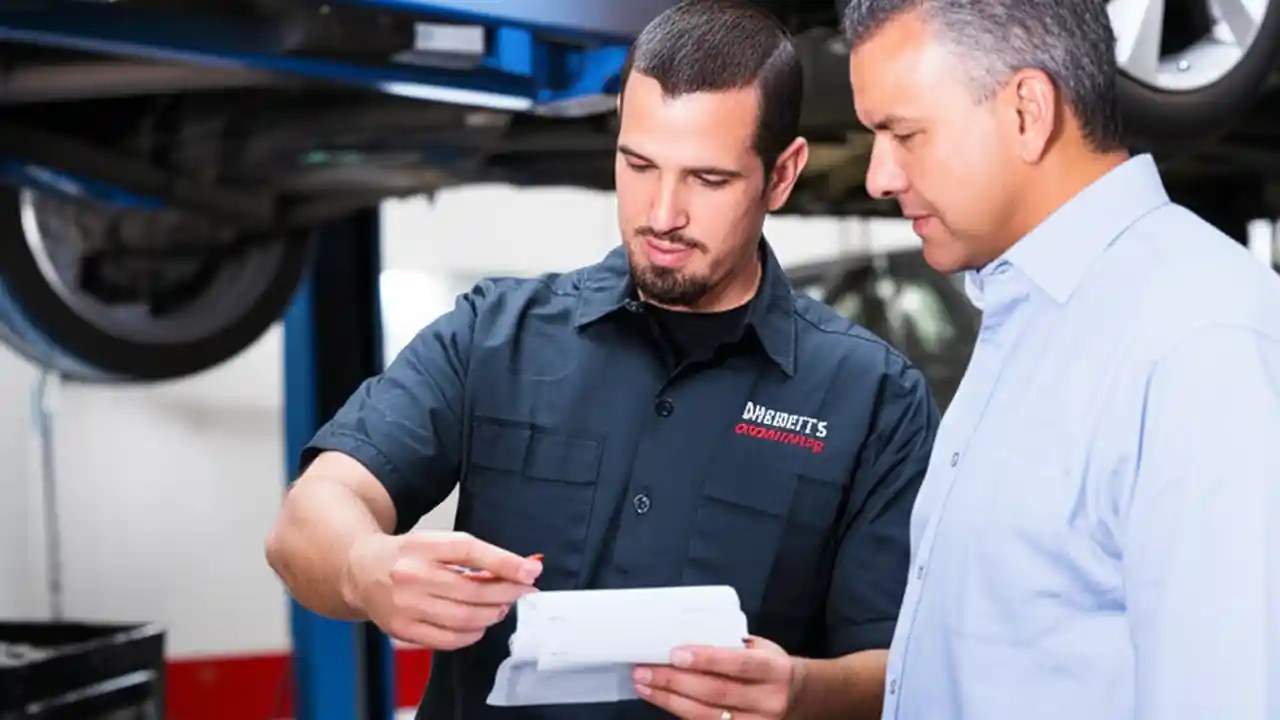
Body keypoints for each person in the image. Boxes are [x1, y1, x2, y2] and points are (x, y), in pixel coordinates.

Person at [265, 1, 940, 718]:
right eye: (638, 165)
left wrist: (801, 692)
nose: (663, 214)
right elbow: (305, 523)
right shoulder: (495, 336)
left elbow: (901, 670)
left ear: (782, 175)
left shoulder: (873, 398)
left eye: (709, 180)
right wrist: (366, 568)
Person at [839, 1, 1280, 719]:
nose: (878, 177)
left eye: (905, 134)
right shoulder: (1029, 310)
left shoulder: (1202, 340)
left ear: (1027, 112)